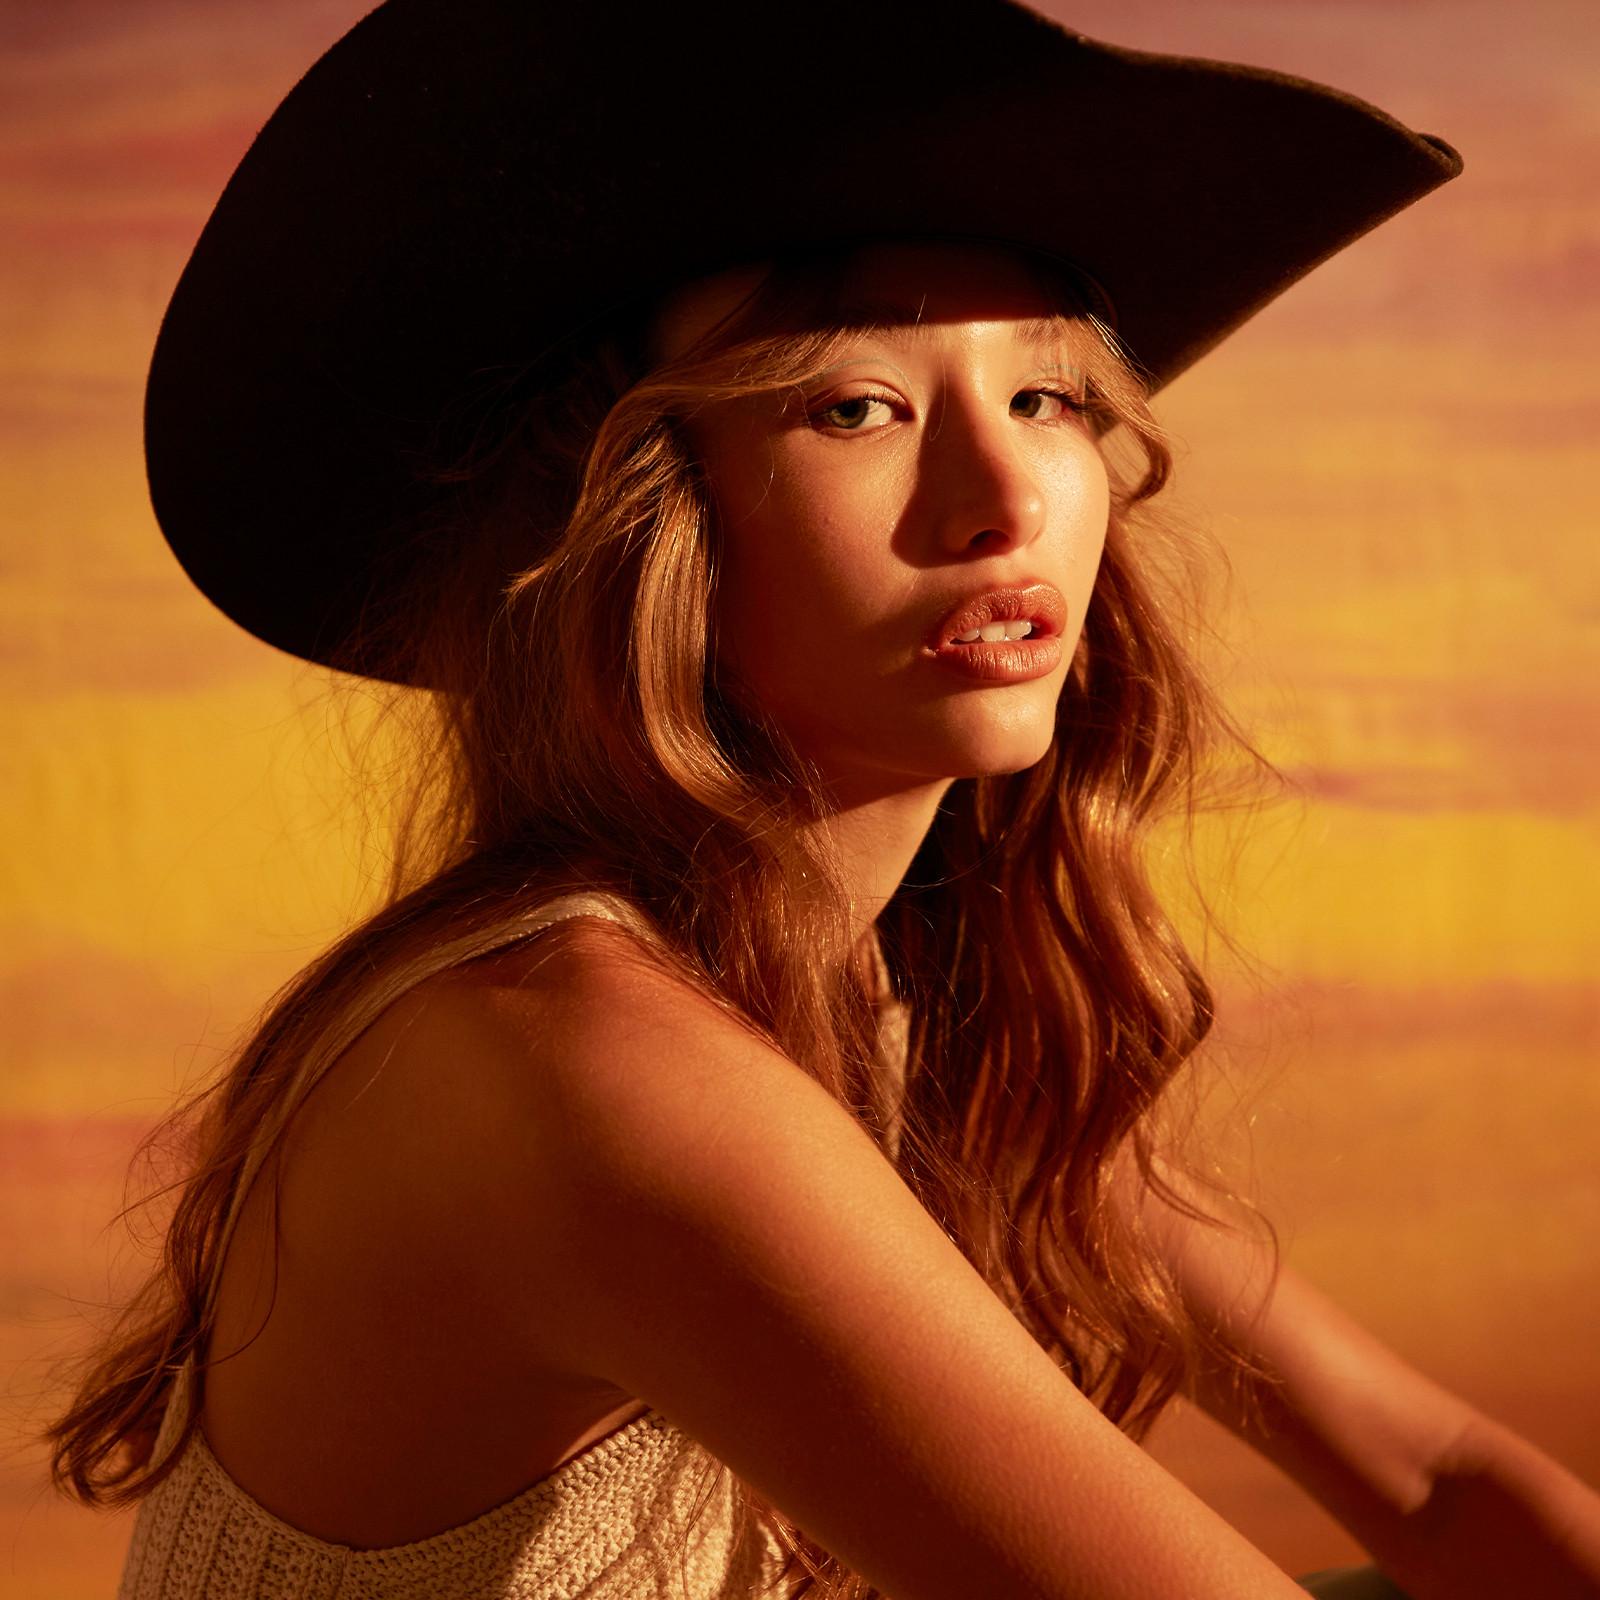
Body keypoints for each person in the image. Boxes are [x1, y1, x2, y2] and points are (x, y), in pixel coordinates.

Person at [41, 3, 1600, 1598]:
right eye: (856, 407)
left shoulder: (903, 1005)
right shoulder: (576, 1062)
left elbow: (1439, 1478)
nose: (1002, 504)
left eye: (1049, 399)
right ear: (647, 521)